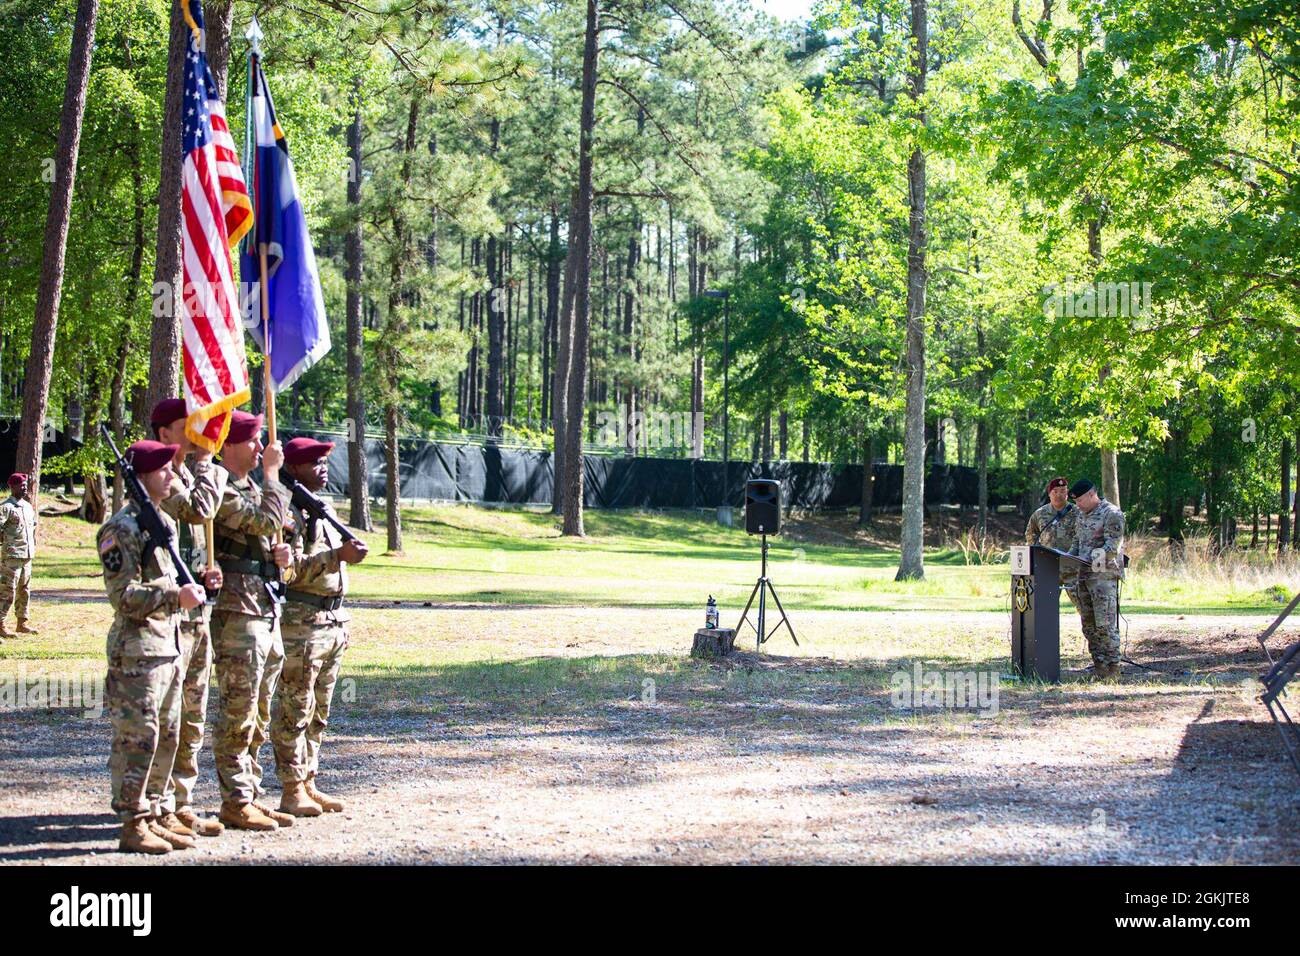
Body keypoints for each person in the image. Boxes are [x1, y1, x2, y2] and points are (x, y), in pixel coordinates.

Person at [98, 440, 208, 853]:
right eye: (163, 469)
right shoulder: (120, 529)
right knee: (138, 738)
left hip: (169, 646)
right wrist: (171, 595)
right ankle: (133, 822)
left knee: (168, 736)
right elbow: (123, 596)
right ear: (143, 475)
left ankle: (156, 811)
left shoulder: (164, 522)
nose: (171, 475)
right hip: (138, 652)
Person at [273, 437, 368, 816]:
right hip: (301, 625)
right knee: (295, 709)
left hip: (330, 622)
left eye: (325, 460)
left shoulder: (319, 507)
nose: (323, 467)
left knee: (319, 711)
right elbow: (288, 570)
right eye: (314, 462)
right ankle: (291, 787)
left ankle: (309, 780)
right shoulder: (286, 513)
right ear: (293, 468)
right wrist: (336, 557)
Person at [209, 410, 295, 831]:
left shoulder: (249, 486)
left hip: (264, 605)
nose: (262, 448)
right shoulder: (220, 486)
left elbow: (272, 532)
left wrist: (280, 556)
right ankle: (235, 799)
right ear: (228, 445)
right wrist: (274, 476)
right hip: (237, 611)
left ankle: (251, 792)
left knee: (260, 710)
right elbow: (265, 520)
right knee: (238, 708)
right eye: (253, 440)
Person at [150, 398, 227, 837]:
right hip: (168, 618)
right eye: (188, 427)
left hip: (197, 614)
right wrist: (206, 460)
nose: (199, 432)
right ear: (164, 434)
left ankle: (182, 800)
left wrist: (206, 573)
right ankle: (156, 804)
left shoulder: (183, 475)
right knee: (168, 715)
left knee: (193, 713)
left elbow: (194, 539)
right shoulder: (159, 478)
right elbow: (199, 510)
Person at [1068, 478, 1126, 680]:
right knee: (1089, 625)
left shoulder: (1112, 514)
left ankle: (1113, 669)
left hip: (1103, 578)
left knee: (1105, 625)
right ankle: (1099, 666)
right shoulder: (1081, 515)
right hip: (1083, 576)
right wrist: (1066, 557)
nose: (1077, 505)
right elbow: (1077, 541)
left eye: (1080, 500)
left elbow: (1112, 548)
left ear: (1092, 495)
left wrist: (1086, 558)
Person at [1025, 476, 1080, 606]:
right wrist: (1039, 554)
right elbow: (1030, 534)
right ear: (1049, 493)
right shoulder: (1040, 514)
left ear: (1067, 494)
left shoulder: (1077, 512)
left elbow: (1084, 535)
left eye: (1062, 491)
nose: (1059, 495)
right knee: (1046, 607)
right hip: (1048, 567)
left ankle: (1089, 627)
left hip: (1072, 568)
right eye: (1055, 491)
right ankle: (1046, 627)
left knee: (1083, 607)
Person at [0, 472, 38, 639]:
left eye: (25, 485)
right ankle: (1, 624)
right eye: (21, 485)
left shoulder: (28, 507)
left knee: (24, 590)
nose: (24, 488)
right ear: (12, 486)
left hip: (27, 556)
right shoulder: (6, 507)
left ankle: (21, 622)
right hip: (11, 557)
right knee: (8, 591)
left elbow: (33, 528)